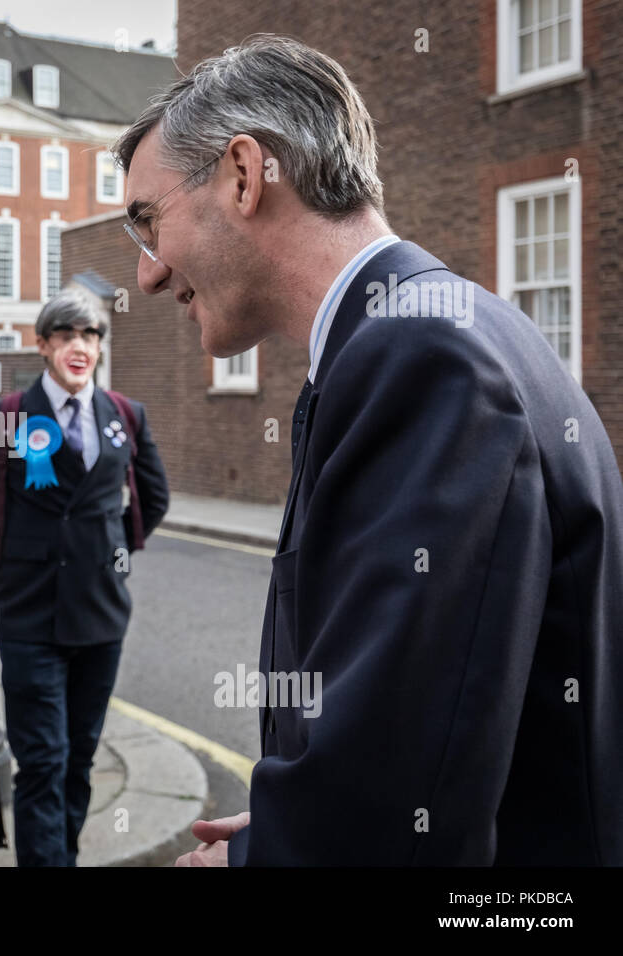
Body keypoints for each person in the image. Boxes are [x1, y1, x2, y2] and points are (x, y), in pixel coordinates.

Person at [113, 35, 623, 865]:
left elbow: (393, 819)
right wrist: (286, 825)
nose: (146, 276)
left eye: (147, 222)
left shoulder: (418, 359)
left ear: (245, 175)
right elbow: (430, 735)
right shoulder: (441, 329)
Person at [0, 286, 170, 866]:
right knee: (42, 760)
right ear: (42, 345)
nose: (79, 345)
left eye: (90, 335)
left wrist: (111, 546)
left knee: (79, 759)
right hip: (28, 618)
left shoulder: (125, 415)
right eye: (65, 334)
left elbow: (154, 496)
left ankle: (59, 854)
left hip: (101, 616)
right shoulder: (4, 417)